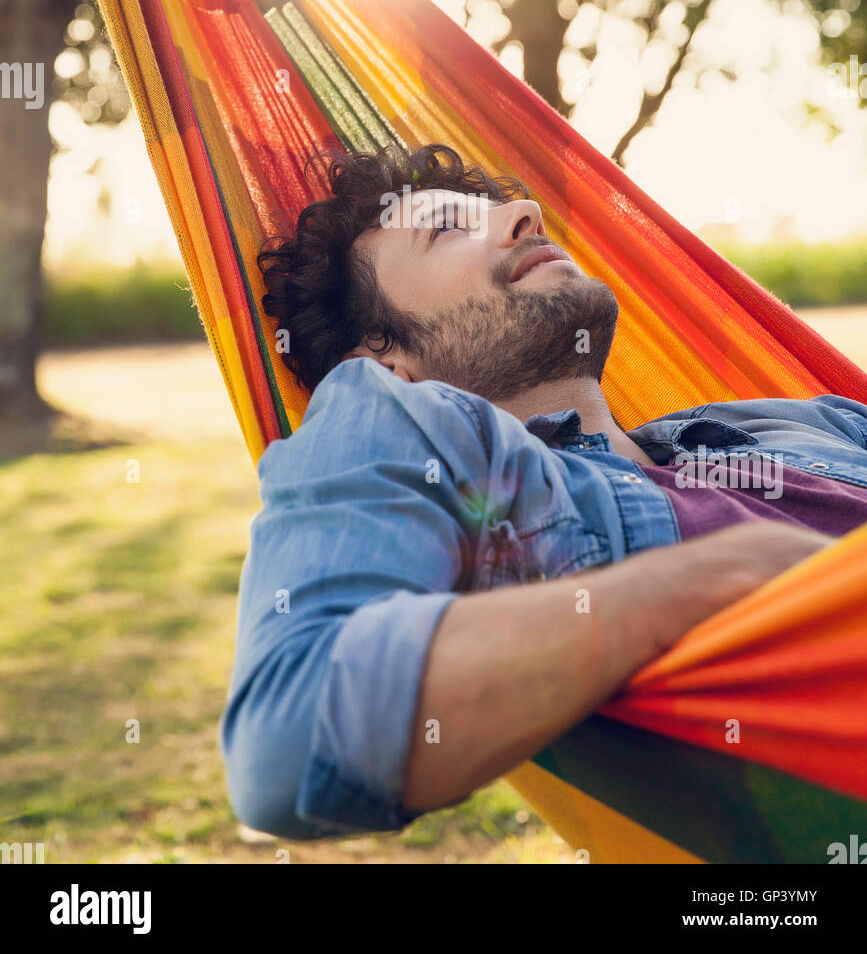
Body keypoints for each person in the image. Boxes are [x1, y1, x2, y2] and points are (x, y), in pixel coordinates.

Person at [220, 143, 867, 840]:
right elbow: (285, 744)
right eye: (445, 229)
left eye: (505, 209)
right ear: (383, 359)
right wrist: (719, 576)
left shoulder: (811, 418)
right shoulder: (462, 468)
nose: (524, 215)